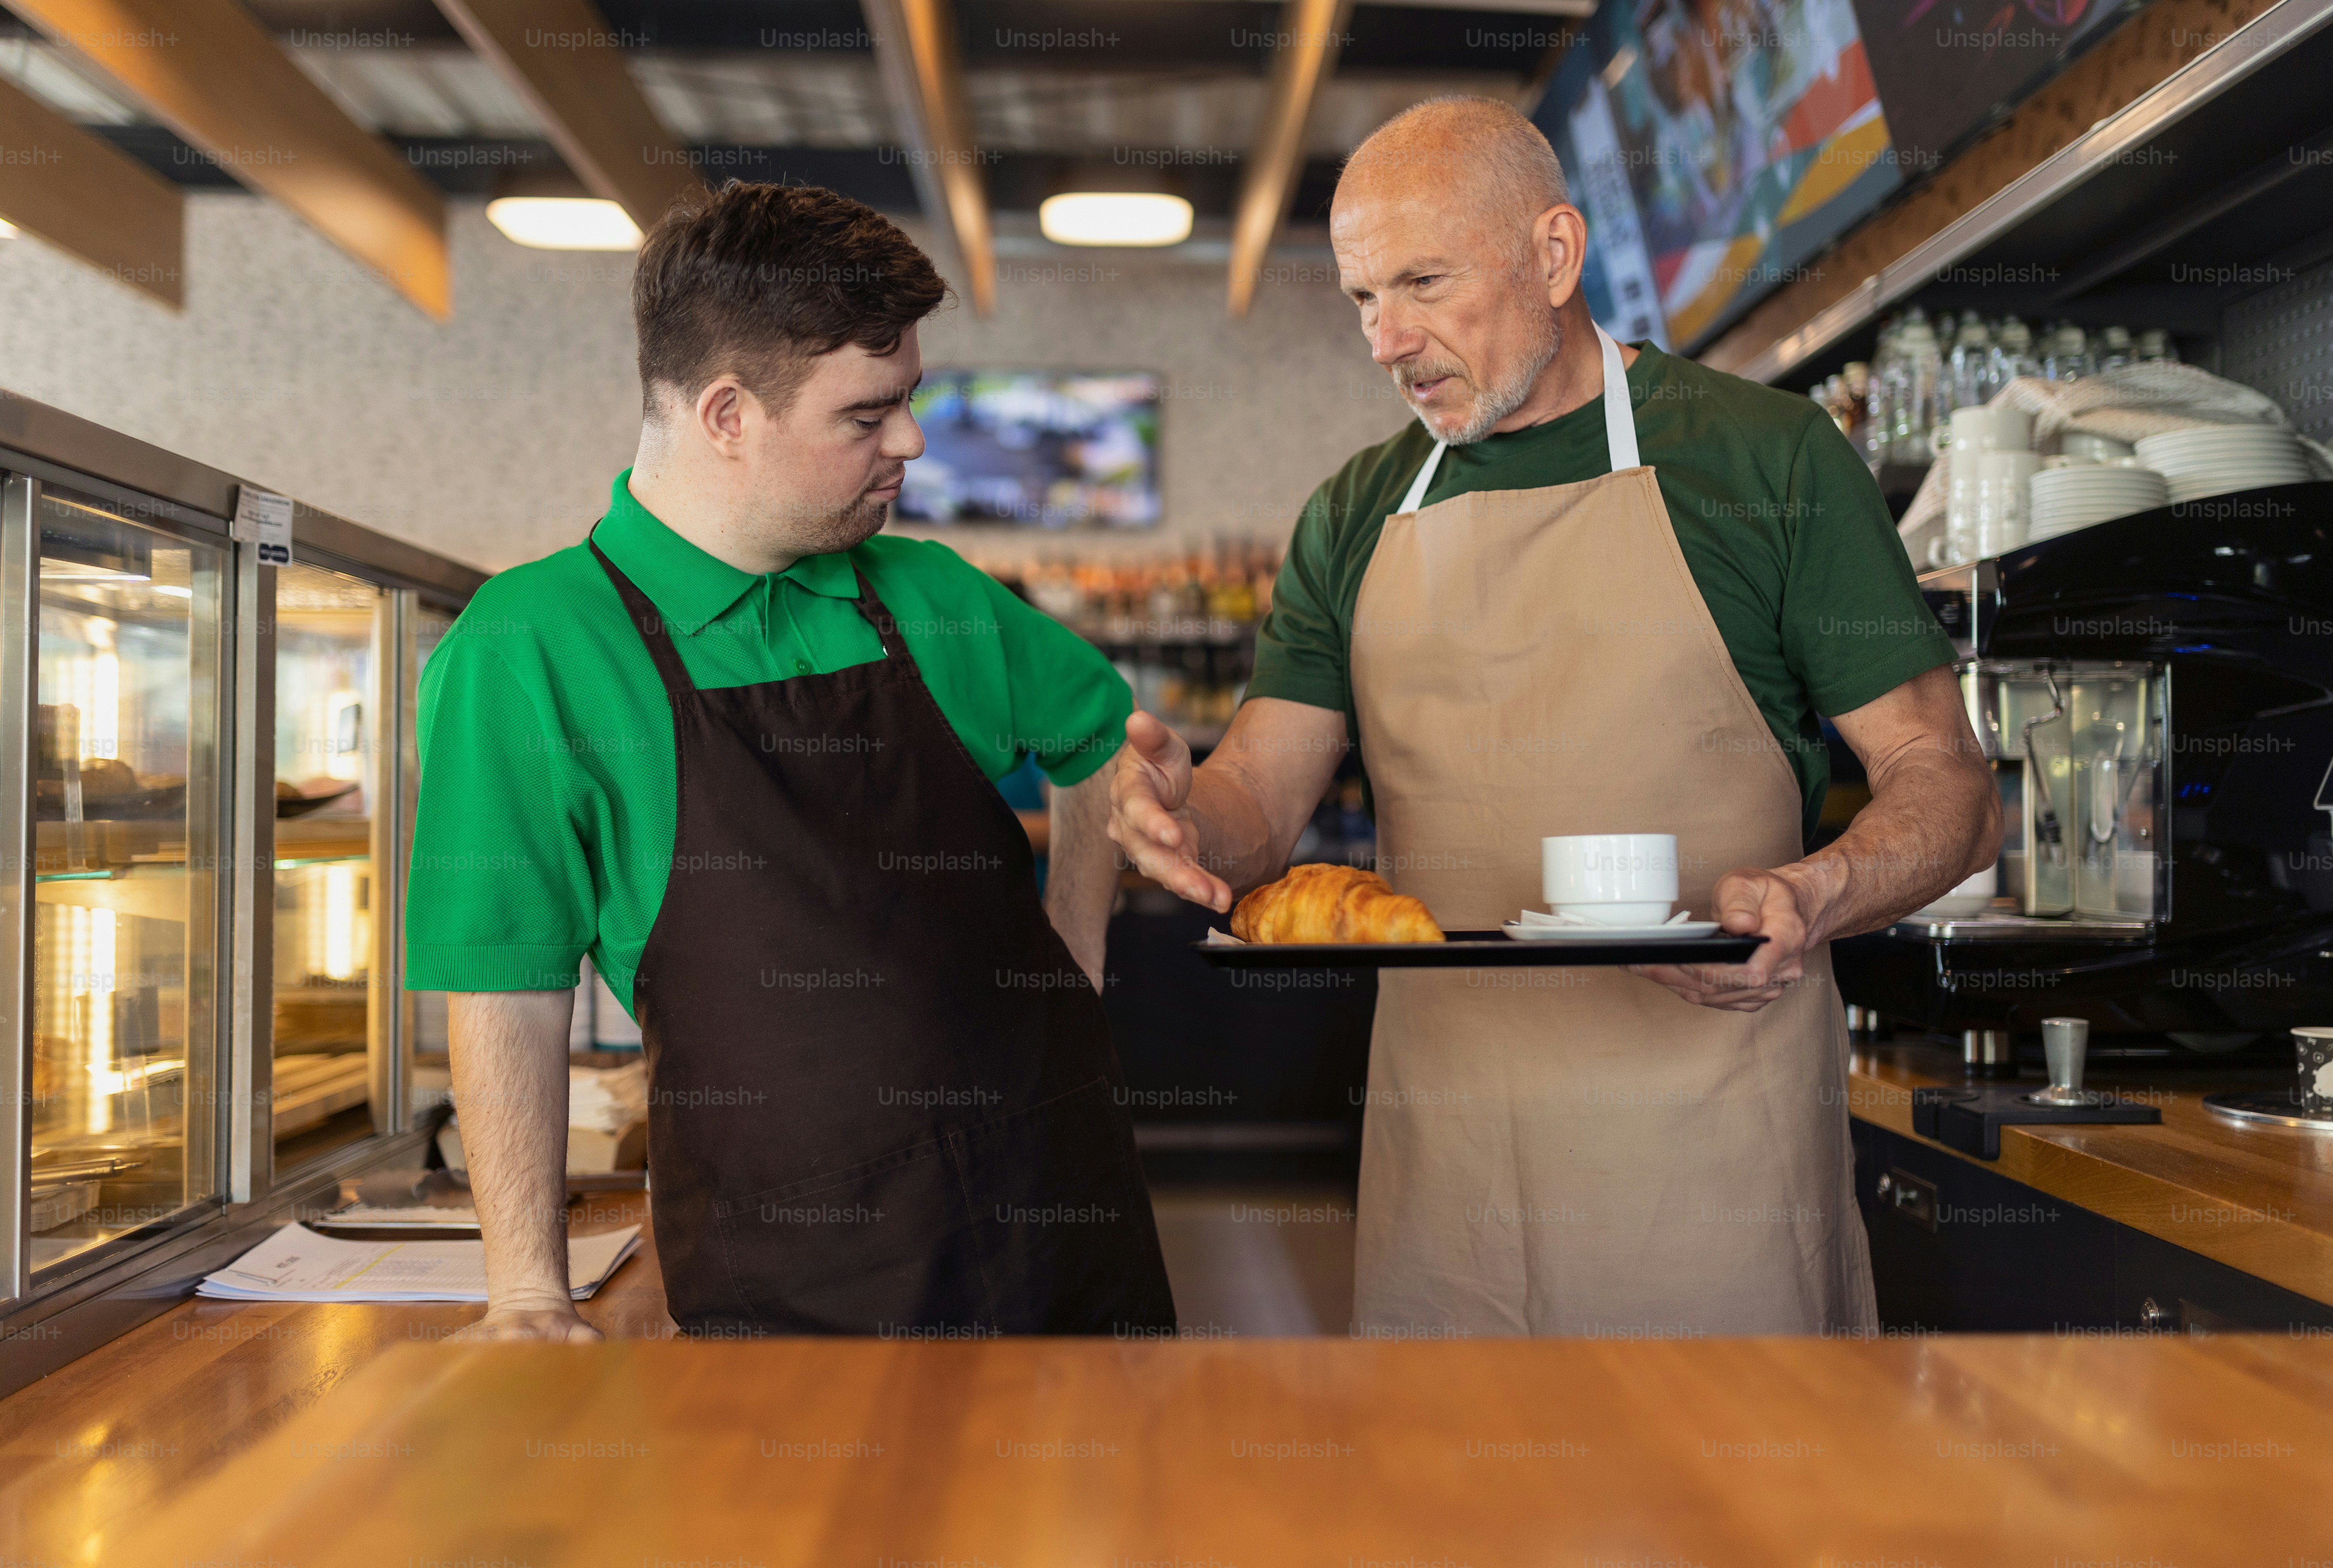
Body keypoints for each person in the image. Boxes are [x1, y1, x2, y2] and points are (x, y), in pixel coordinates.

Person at [1107, 98, 2001, 1336]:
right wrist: (1174, 812)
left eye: (1424, 282)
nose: (1387, 339)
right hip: (1447, 1168)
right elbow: (1260, 798)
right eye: (1364, 297)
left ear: (1557, 255)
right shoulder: (1352, 513)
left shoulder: (1768, 462)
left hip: (1711, 1159)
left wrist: (1821, 894)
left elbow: (1945, 780)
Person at [407, 180, 1175, 1341]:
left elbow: (1098, 747)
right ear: (727, 415)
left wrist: (1075, 965)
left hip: (1061, 1240)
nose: (912, 441)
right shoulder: (529, 649)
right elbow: (509, 987)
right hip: (801, 1292)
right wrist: (526, 1292)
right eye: (867, 418)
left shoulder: (934, 597)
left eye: (909, 401)